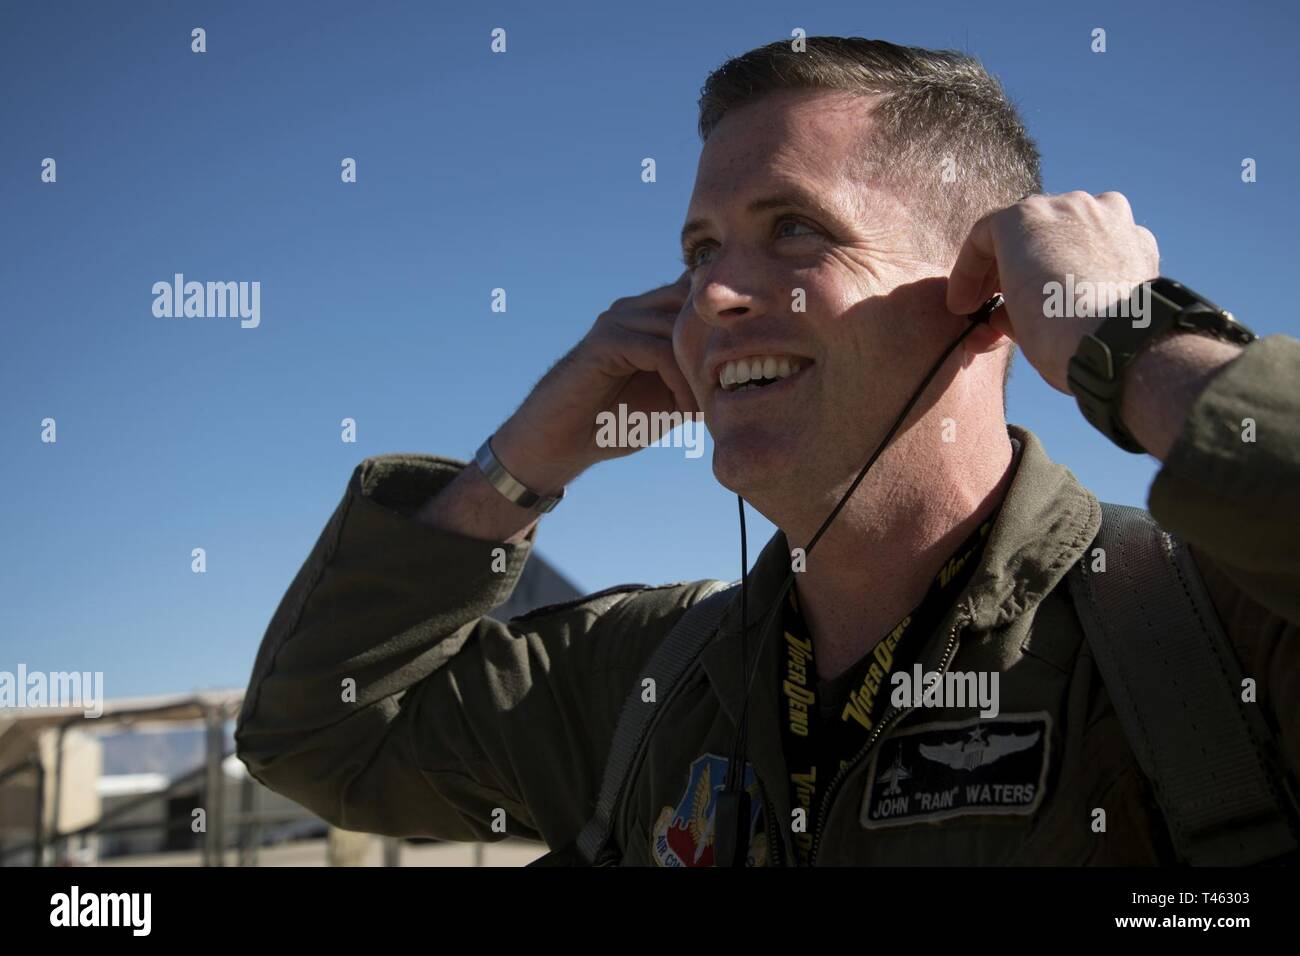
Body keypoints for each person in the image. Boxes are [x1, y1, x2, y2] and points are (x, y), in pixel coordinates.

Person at [235, 37, 1300, 866]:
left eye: (793, 228)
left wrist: (1128, 340)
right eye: (699, 250)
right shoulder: (651, 674)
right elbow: (326, 737)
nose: (710, 295)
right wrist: (517, 464)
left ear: (988, 297)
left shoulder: (1209, 637)